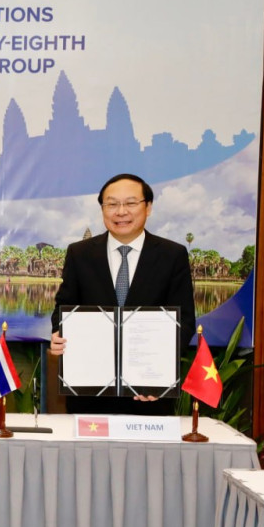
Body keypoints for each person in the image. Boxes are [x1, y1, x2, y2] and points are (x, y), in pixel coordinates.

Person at [49, 173, 195, 414]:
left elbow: (184, 321)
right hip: (89, 393)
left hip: (148, 394)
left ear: (148, 207)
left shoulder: (172, 255)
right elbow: (64, 306)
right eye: (112, 204)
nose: (121, 211)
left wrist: (158, 373)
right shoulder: (80, 253)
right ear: (103, 209)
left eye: (130, 203)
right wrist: (58, 332)